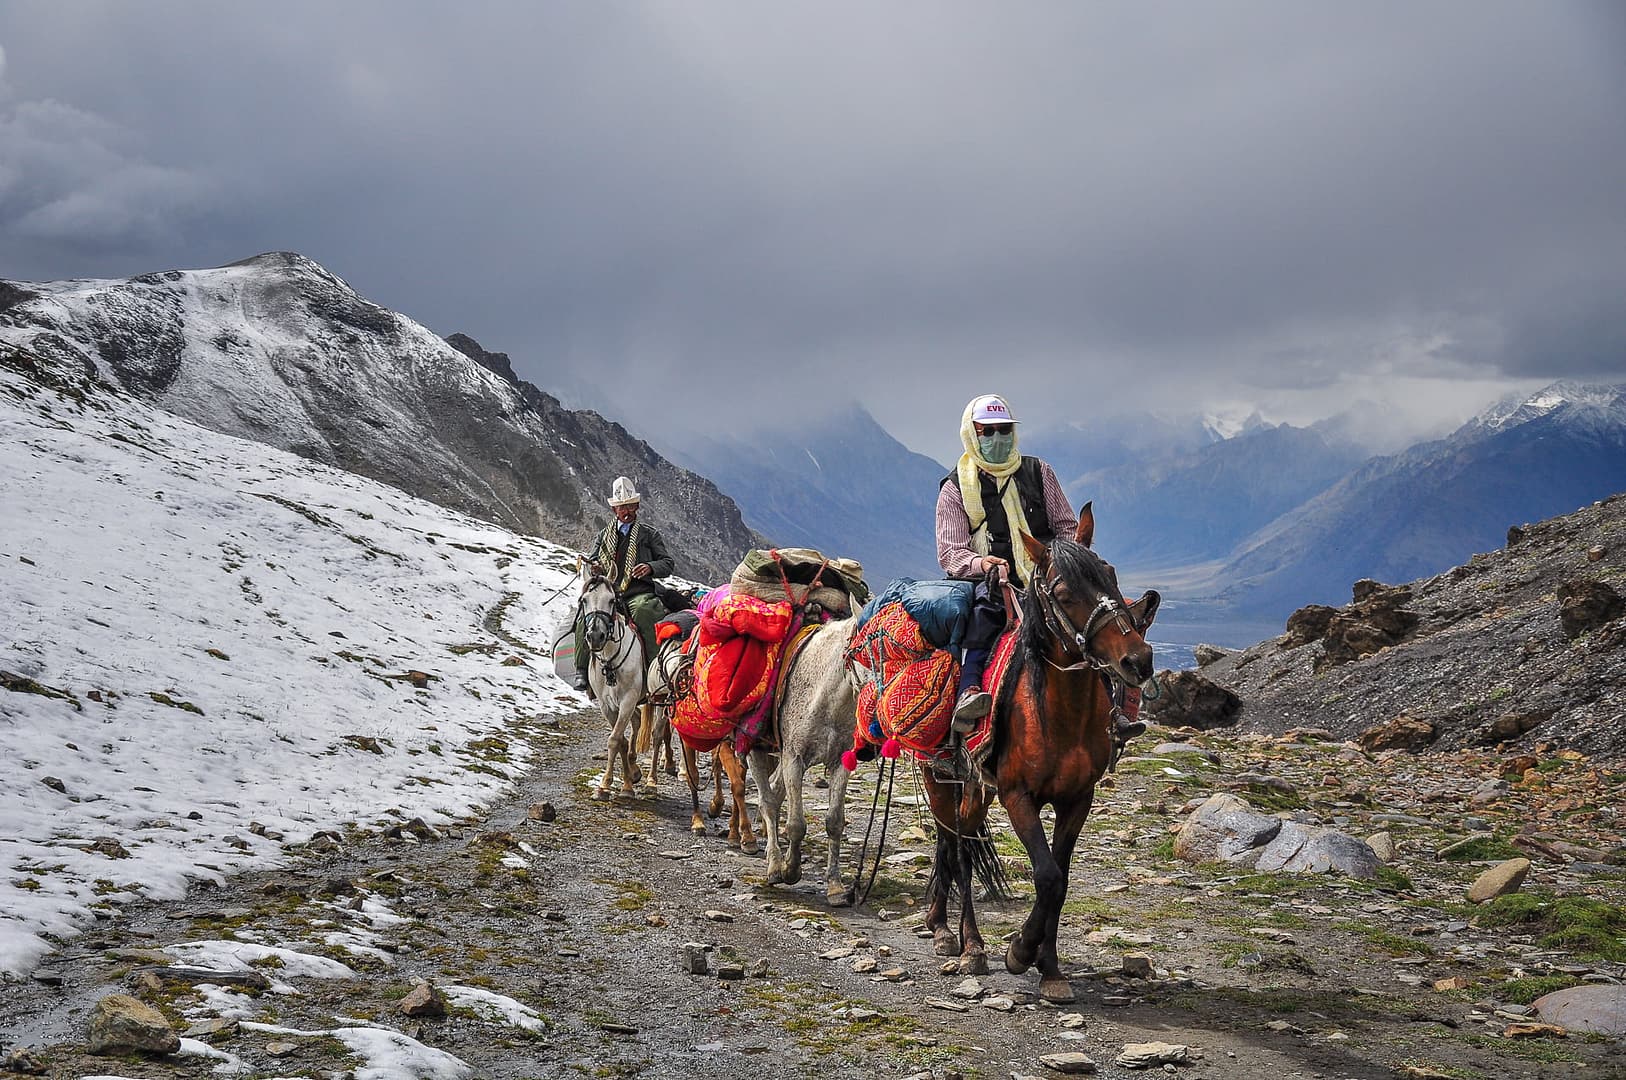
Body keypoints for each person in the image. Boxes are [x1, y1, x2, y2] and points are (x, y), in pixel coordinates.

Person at [936, 394, 1077, 727]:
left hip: (1047, 577)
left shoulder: (1039, 472)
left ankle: (1117, 706)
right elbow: (951, 552)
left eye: (1003, 430)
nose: (997, 438)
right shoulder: (955, 489)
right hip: (993, 581)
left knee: (1097, 615)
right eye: (987, 432)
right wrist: (983, 564)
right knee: (983, 613)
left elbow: (1066, 527)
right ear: (972, 434)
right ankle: (969, 690)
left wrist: (1062, 563)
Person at [573, 476, 675, 693]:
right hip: (609, 592)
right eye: (621, 507)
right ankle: (582, 670)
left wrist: (650, 566)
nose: (626, 511)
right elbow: (593, 561)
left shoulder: (648, 535)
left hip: (638, 592)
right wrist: (595, 567)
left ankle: (654, 670)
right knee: (586, 617)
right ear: (614, 510)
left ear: (637, 506)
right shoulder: (603, 536)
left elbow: (667, 563)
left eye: (629, 506)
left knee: (646, 612)